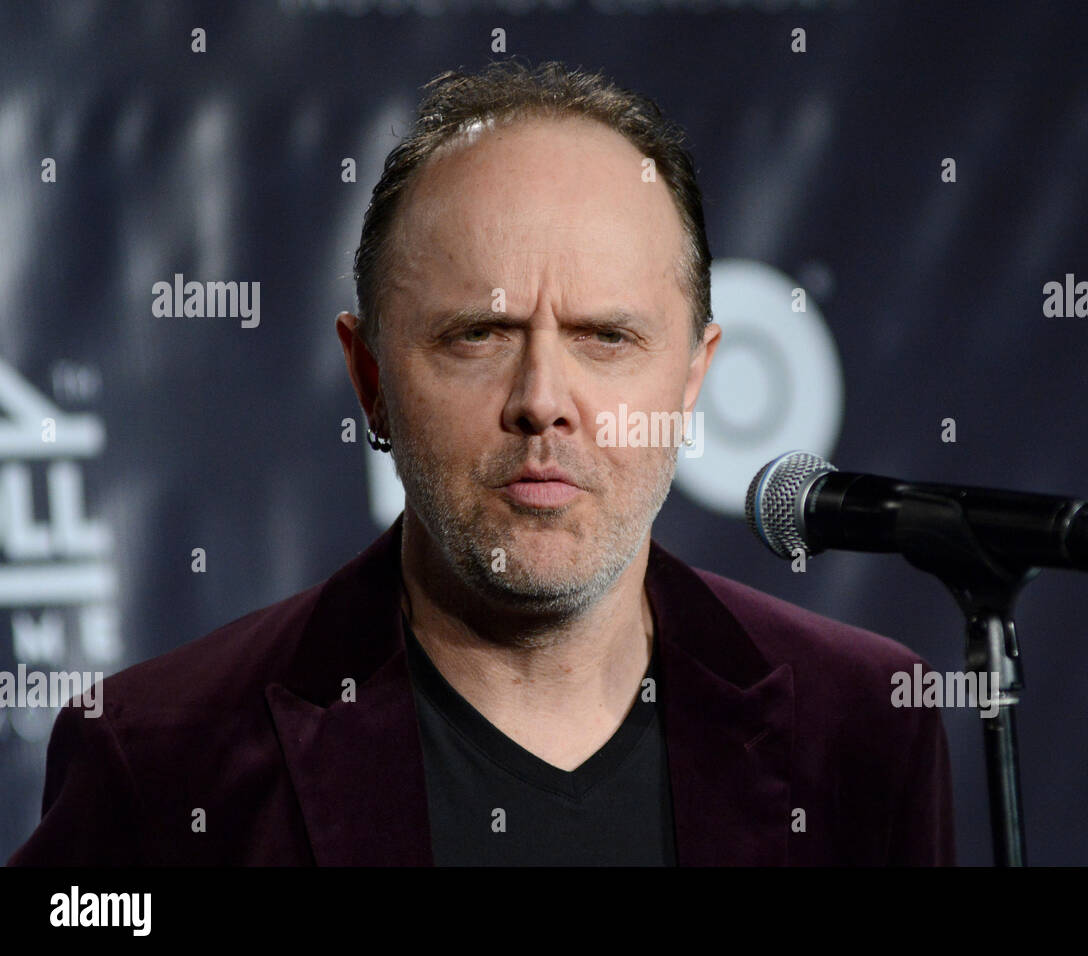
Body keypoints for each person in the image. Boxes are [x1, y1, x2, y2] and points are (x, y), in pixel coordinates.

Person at [8, 59, 955, 866]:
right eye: (478, 334)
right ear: (369, 377)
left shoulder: (862, 729)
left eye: (606, 337)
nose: (542, 398)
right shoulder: (164, 761)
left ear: (695, 378)